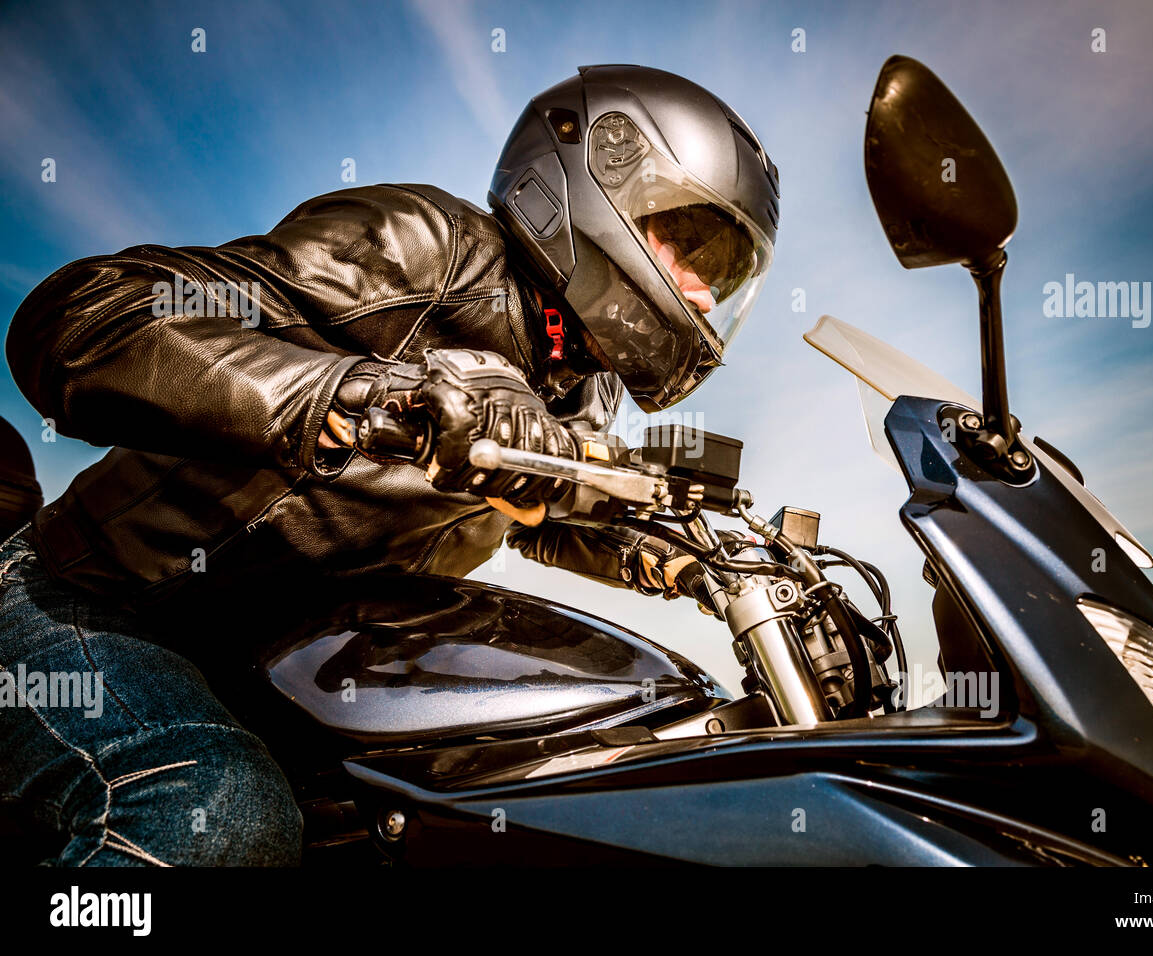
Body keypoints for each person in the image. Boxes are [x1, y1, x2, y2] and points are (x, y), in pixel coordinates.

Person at [0, 64, 779, 865]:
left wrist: (687, 560)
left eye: (722, 275)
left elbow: (543, 517)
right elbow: (86, 315)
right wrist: (372, 393)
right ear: (597, 179)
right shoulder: (423, 249)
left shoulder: (578, 390)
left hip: (286, 658)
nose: (704, 295)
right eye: (686, 244)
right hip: (89, 601)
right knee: (212, 810)